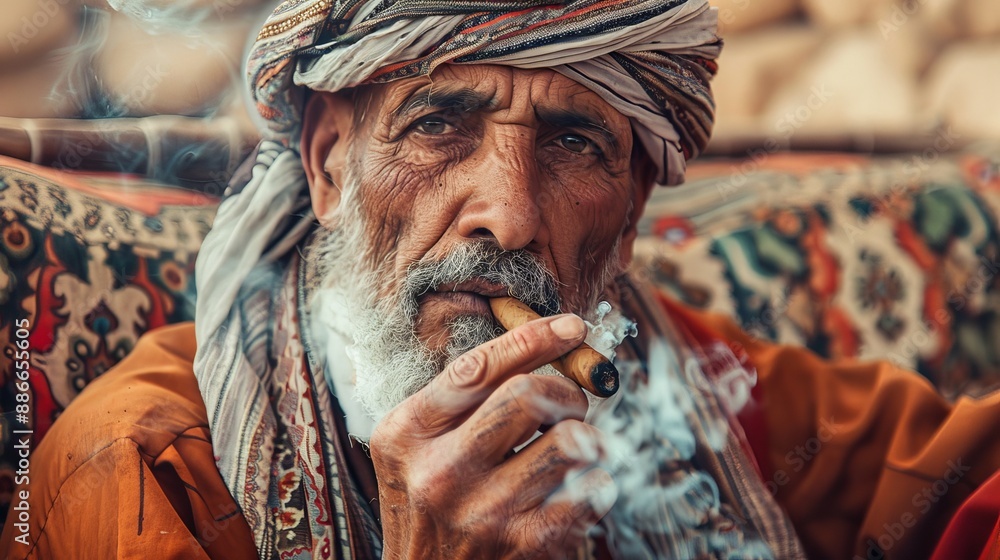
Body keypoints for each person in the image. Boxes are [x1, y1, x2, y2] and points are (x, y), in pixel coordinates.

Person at [3, 0, 1000, 558]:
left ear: (630, 210)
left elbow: (963, 483)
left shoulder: (679, 377)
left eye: (574, 142)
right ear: (327, 164)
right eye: (440, 125)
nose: (509, 213)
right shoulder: (142, 466)